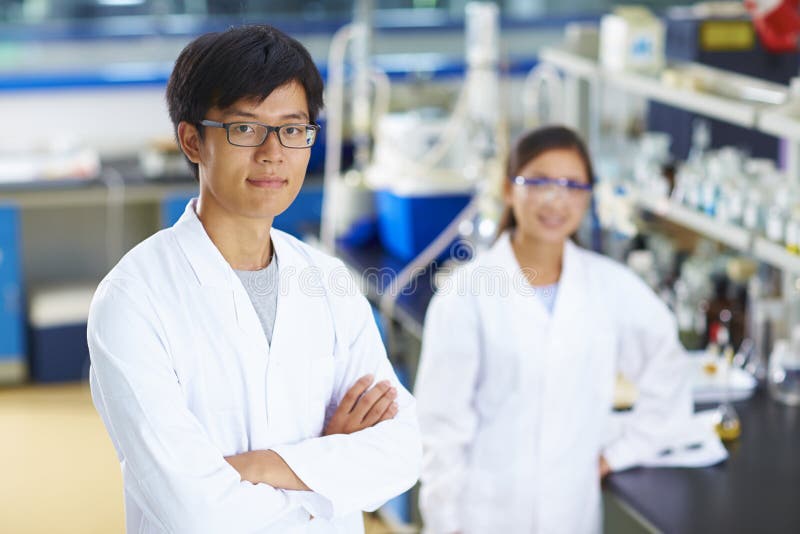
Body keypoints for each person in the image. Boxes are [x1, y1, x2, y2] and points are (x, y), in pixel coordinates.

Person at [88, 25, 421, 534]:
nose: (273, 152)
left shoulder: (329, 281)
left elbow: (403, 451)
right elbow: (196, 513)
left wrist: (261, 467)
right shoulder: (133, 300)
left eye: (292, 129)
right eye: (245, 128)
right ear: (192, 140)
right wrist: (329, 468)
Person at [414, 126, 693, 533]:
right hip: (483, 518)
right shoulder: (466, 295)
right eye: (539, 182)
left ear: (588, 196)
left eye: (572, 185)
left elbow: (668, 373)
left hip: (571, 517)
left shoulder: (611, 287)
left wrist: (620, 452)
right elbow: (441, 433)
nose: (556, 199)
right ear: (509, 189)